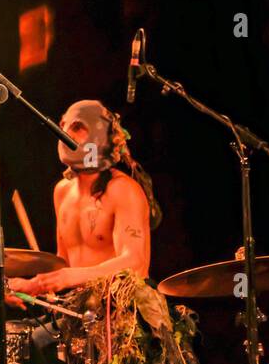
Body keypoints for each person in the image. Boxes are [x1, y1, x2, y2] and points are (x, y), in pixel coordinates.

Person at [11, 99, 160, 297]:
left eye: (77, 127)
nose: (64, 133)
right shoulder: (62, 191)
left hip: (120, 311)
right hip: (80, 310)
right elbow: (63, 262)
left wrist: (68, 277)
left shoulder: (123, 189)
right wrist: (31, 287)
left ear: (99, 137)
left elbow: (134, 262)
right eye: (62, 125)